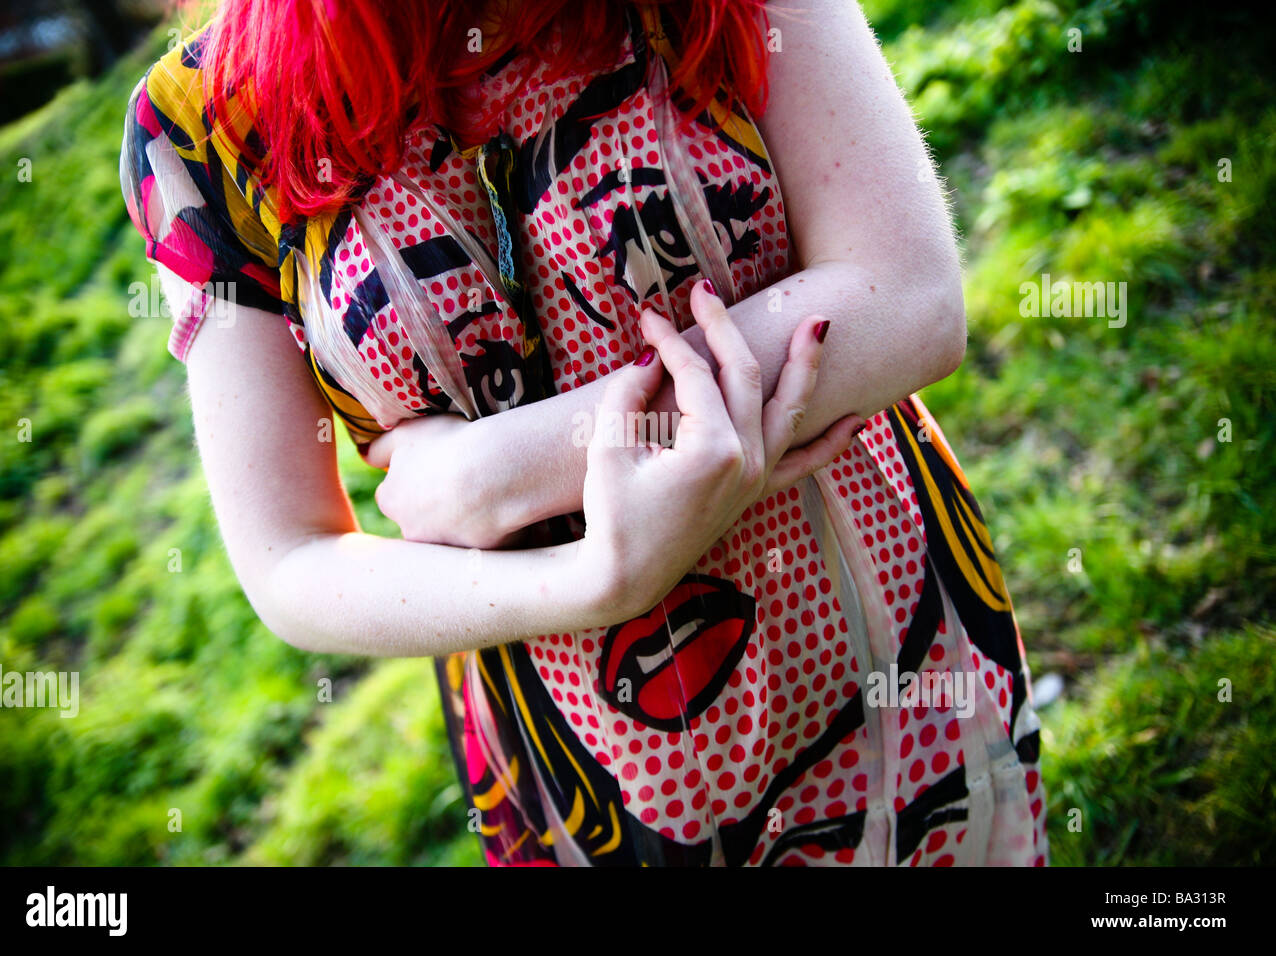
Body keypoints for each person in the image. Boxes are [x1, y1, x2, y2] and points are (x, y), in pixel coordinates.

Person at [119, 0, 1047, 866]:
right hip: (576, 773)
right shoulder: (206, 126)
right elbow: (290, 564)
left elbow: (910, 299)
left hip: (888, 655)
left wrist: (494, 475)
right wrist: (598, 580)